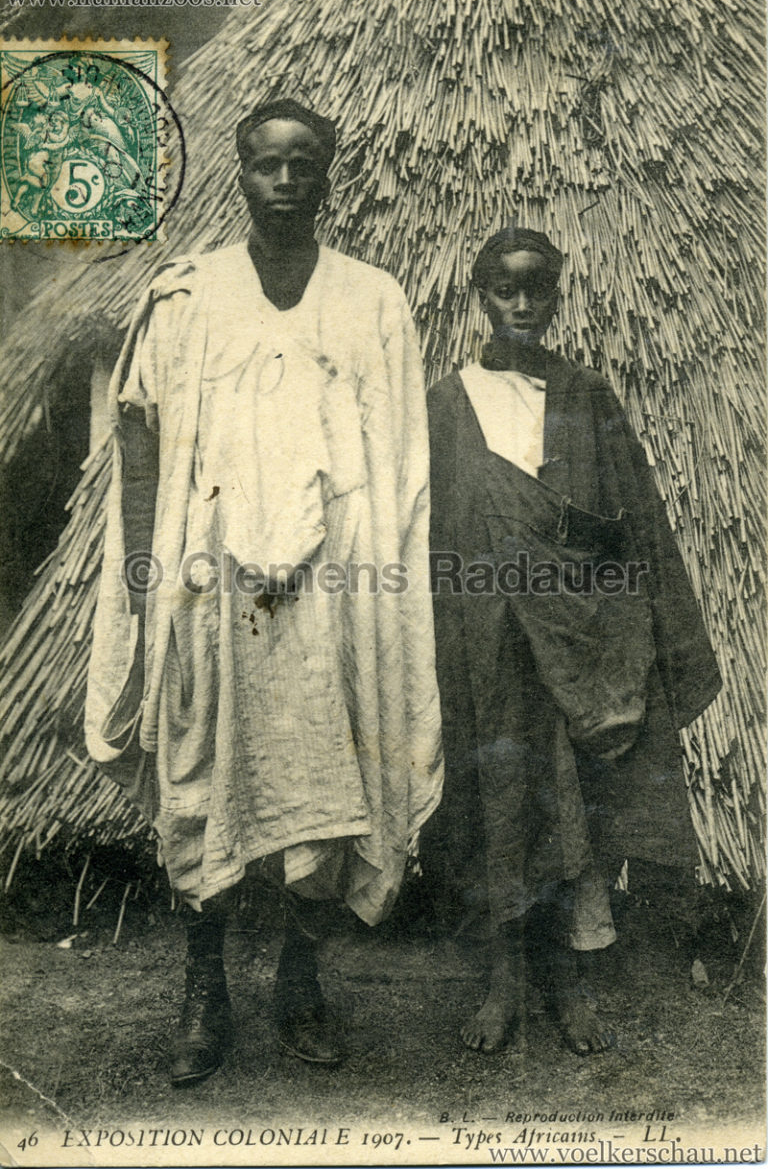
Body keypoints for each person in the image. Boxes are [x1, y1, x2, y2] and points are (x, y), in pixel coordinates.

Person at [85, 98, 442, 1083]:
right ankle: (205, 990)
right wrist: (146, 567)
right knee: (202, 775)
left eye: (304, 163)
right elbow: (139, 429)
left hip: (333, 586)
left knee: (327, 783)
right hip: (208, 579)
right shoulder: (188, 296)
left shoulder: (373, 301)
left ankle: (299, 980)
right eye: (266, 163)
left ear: (330, 174)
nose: (286, 179)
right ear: (237, 173)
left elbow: (404, 460)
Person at [424, 225, 721, 1056]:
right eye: (504, 289)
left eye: (537, 289)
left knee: (574, 800)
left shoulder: (588, 395)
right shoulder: (446, 402)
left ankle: (566, 980)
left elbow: (636, 520)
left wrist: (644, 632)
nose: (521, 304)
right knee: (498, 793)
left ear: (558, 297)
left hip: (582, 639)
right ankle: (504, 977)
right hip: (488, 639)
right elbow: (434, 529)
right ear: (479, 297)